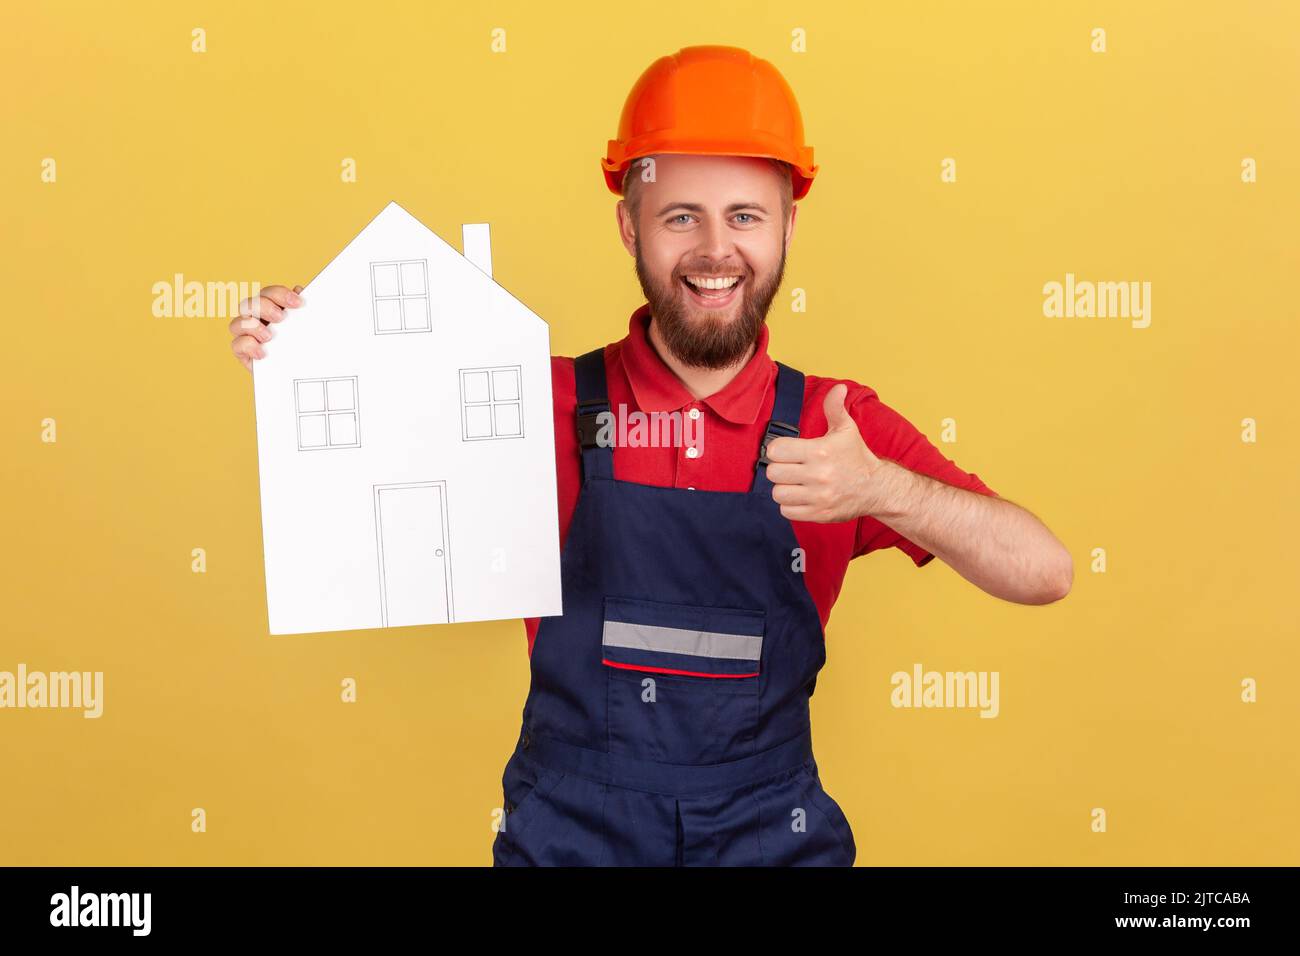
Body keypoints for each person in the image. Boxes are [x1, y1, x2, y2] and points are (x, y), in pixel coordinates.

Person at [229, 45, 1072, 866]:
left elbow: (1044, 570)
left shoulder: (835, 425)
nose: (715, 251)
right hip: (570, 837)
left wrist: (886, 489)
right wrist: (300, 341)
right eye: (680, 217)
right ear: (629, 224)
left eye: (745, 215)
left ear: (788, 227)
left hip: (768, 838)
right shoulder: (532, 400)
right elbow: (369, 445)